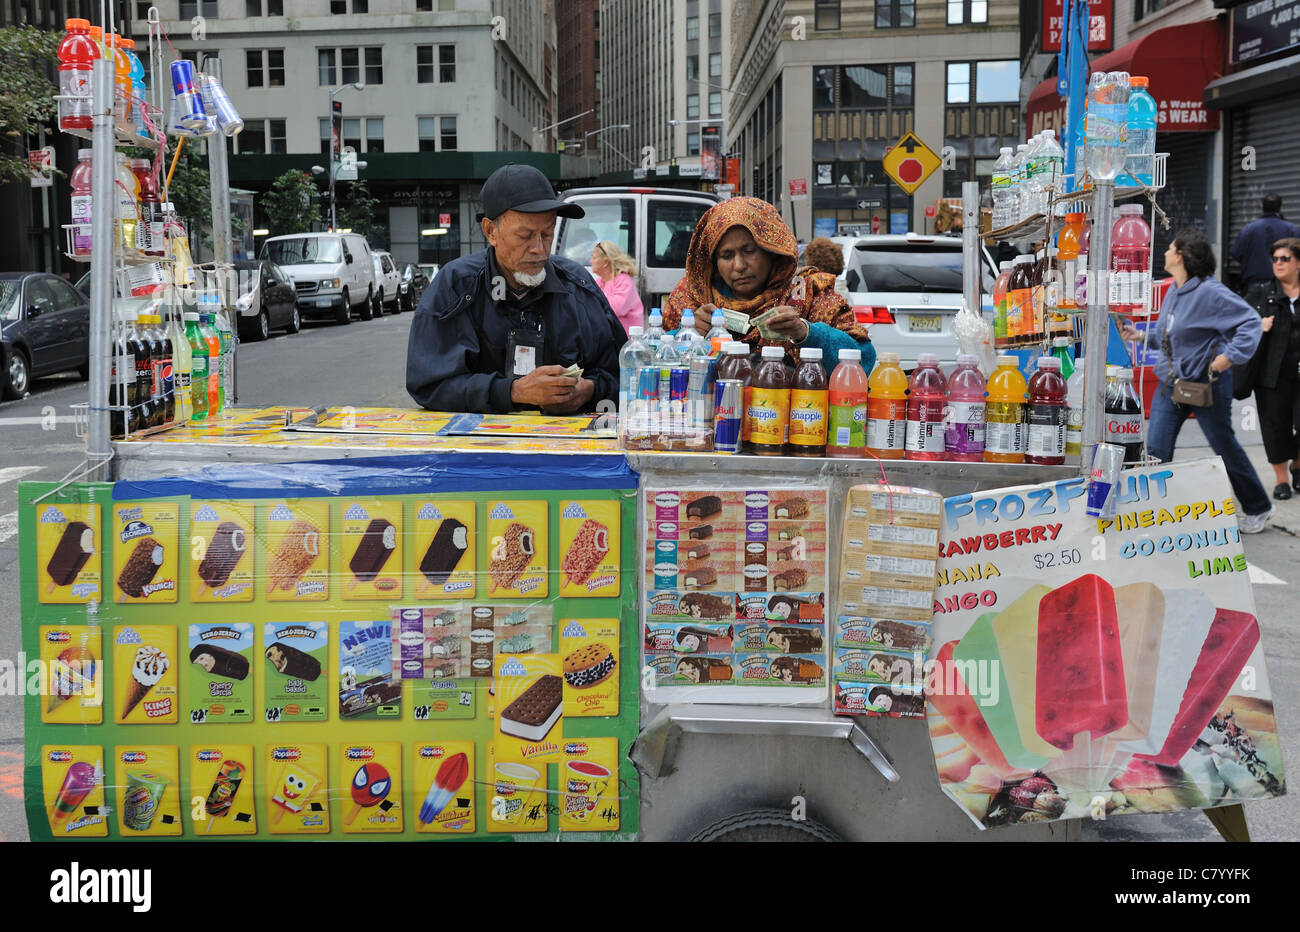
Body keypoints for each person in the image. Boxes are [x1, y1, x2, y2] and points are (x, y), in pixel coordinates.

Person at [406, 164, 626, 414]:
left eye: (547, 233)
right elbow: (429, 385)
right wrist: (512, 392)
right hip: (479, 450)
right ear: (491, 231)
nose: (539, 249)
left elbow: (625, 375)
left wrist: (592, 389)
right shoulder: (456, 286)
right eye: (525, 236)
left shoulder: (579, 287)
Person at [1121, 231, 1273, 533]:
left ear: (1182, 256)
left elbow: (1250, 323)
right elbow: (1173, 337)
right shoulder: (1176, 291)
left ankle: (1257, 506)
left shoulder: (1210, 292)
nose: (1163, 253)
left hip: (1207, 384)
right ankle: (1148, 516)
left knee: (1223, 446)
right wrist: (1139, 336)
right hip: (1170, 383)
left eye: (1170, 249)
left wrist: (1227, 358)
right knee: (1156, 451)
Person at [662, 197, 874, 372]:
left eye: (749, 251)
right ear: (714, 263)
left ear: (772, 251)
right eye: (726, 255)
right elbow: (655, 359)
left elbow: (863, 360)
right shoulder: (693, 300)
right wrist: (687, 334)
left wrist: (806, 333)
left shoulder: (806, 294)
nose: (739, 265)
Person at [1246, 237, 1300, 500]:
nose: (1278, 263)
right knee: (1275, 427)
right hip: (1272, 374)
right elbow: (1240, 323)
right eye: (1275, 259)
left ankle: (1298, 466)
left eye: (1285, 259)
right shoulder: (1261, 292)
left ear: (1298, 263)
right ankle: (1281, 481)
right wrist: (1259, 326)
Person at [1231, 194, 1300, 293]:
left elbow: (1236, 253)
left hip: (1254, 285)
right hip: (1284, 285)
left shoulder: (1248, 230)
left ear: (1262, 207)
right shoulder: (1292, 230)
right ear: (1280, 208)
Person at [589, 240, 643, 334]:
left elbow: (615, 309)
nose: (591, 261)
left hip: (626, 340)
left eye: (594, 258)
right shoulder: (599, 282)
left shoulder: (623, 280)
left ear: (605, 262)